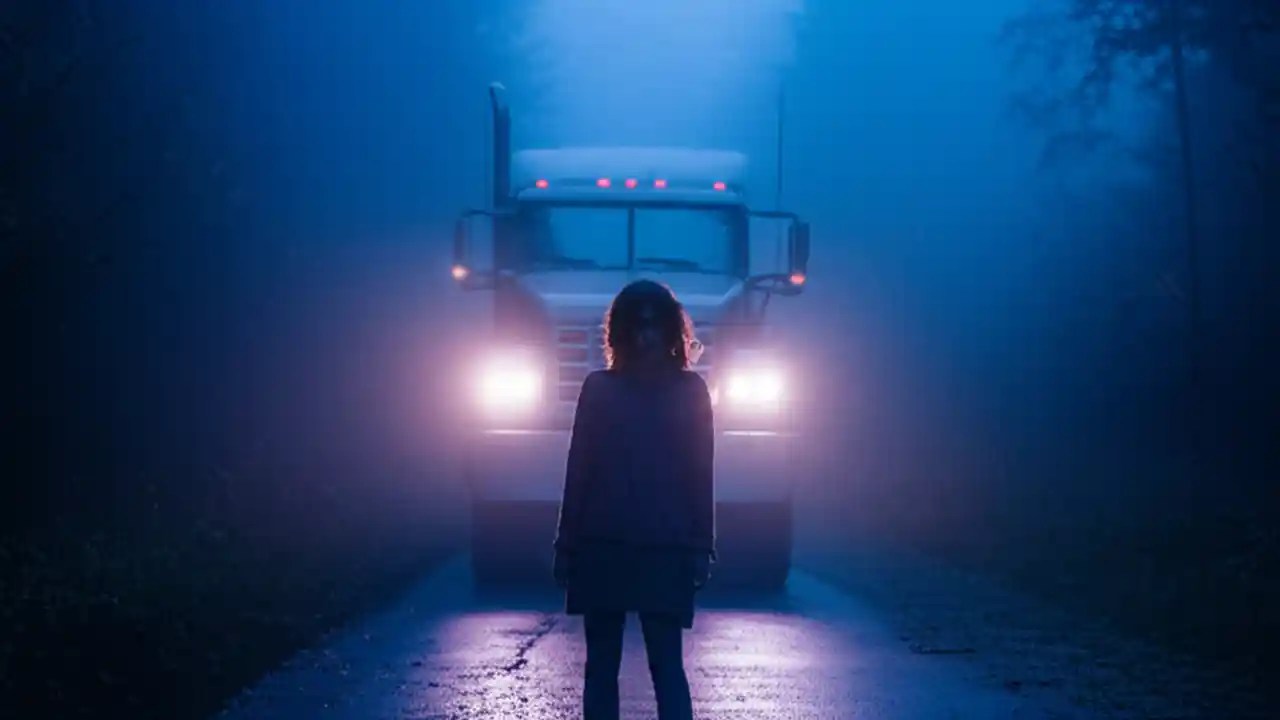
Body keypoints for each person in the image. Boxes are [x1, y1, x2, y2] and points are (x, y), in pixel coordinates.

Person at [553, 279, 715, 720]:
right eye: (637, 327)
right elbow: (579, 468)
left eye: (654, 327)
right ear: (623, 333)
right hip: (614, 545)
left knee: (659, 667)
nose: (646, 337)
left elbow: (701, 474)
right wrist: (566, 545)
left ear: (668, 333)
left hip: (651, 546)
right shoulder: (606, 390)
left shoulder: (681, 392)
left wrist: (701, 546)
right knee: (610, 670)